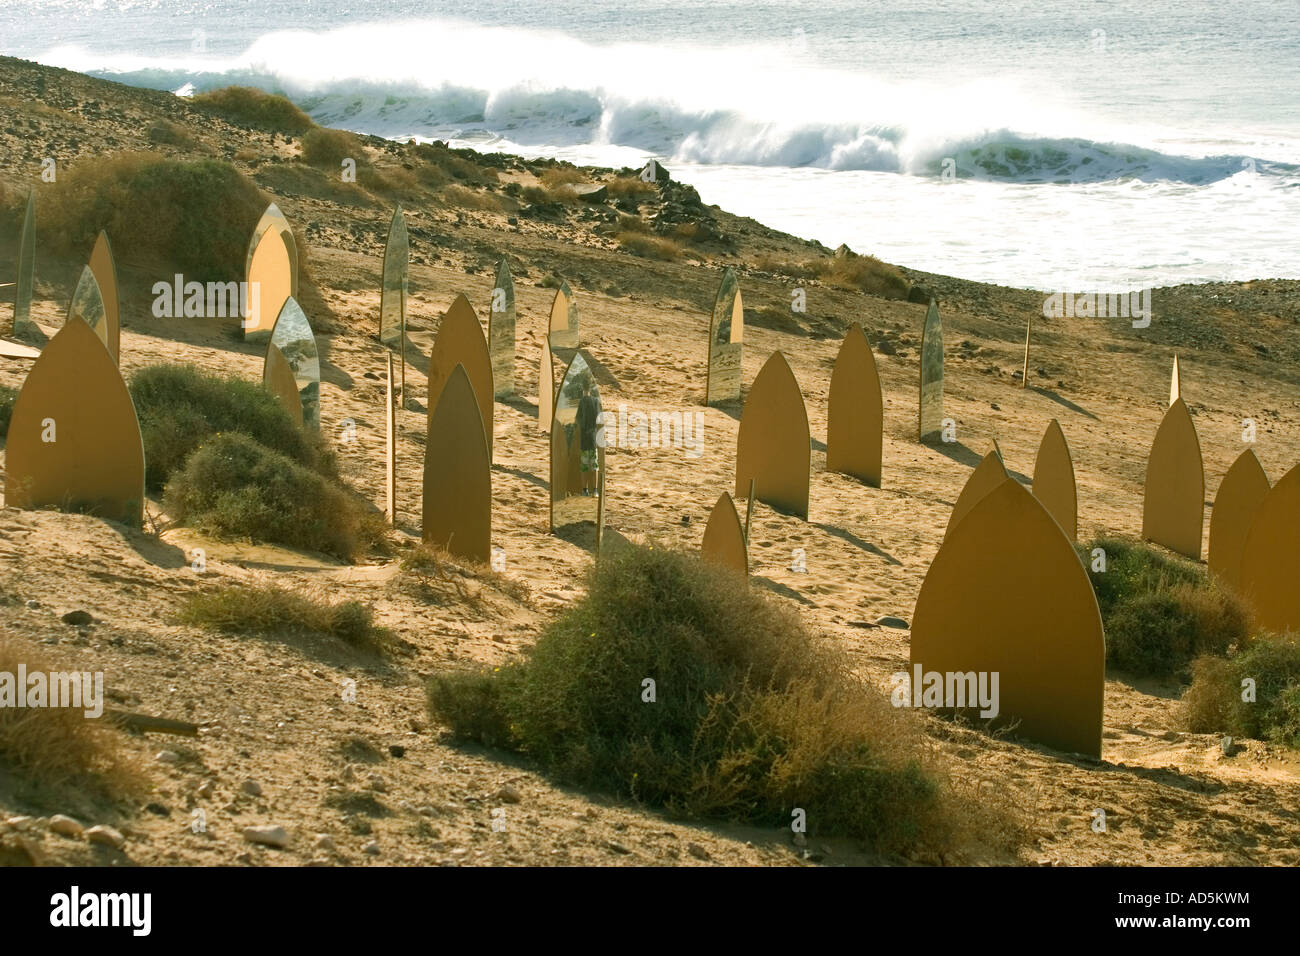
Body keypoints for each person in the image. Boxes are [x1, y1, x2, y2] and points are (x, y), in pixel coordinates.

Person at [575, 379, 600, 494]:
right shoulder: (595, 401)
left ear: (583, 389)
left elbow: (578, 420)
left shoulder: (582, 402)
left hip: (584, 439)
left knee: (585, 466)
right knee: (594, 466)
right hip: (593, 438)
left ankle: (585, 490)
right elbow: (598, 419)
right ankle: (594, 490)